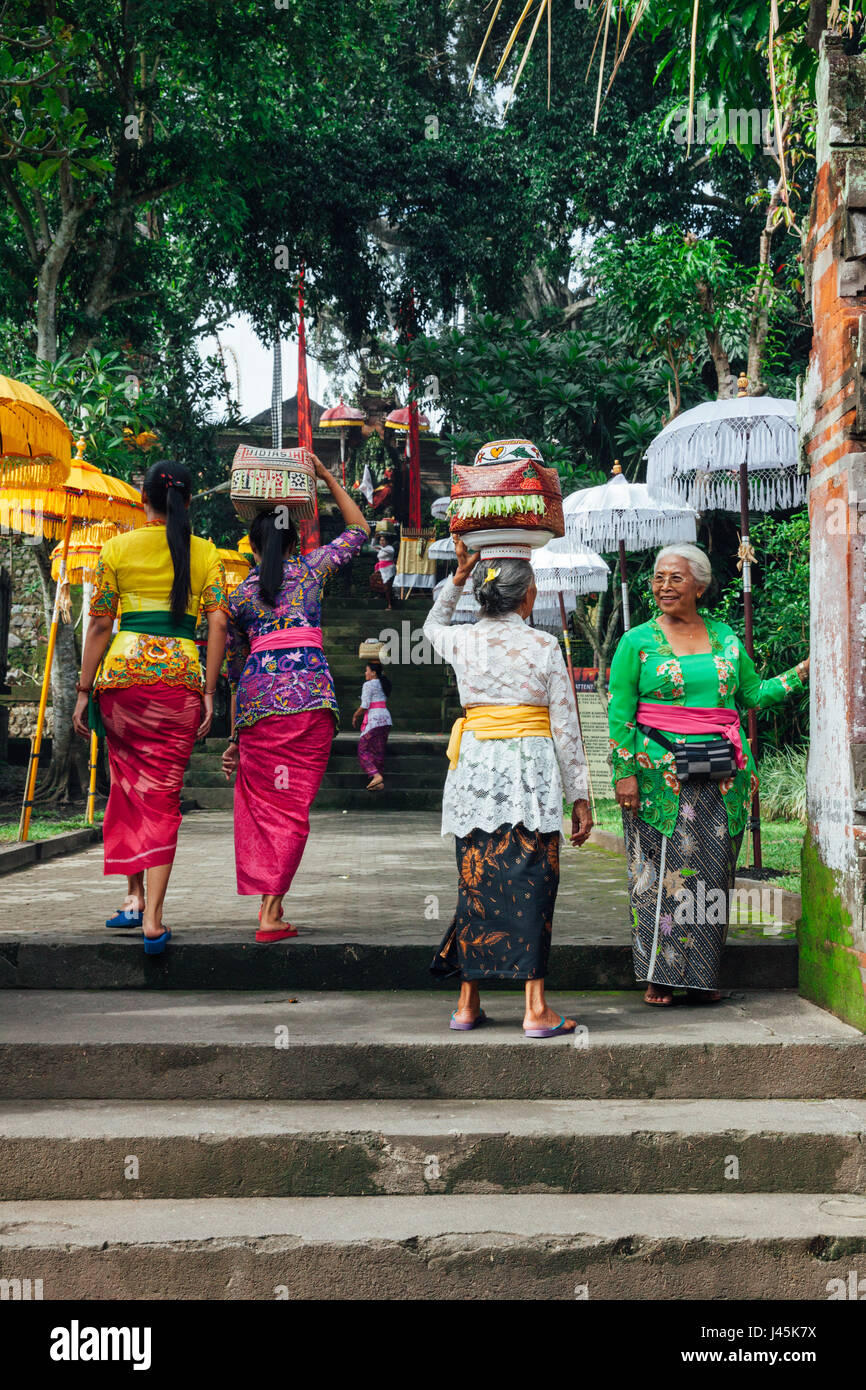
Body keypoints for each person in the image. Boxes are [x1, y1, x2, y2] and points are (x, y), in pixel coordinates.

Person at [607, 544, 810, 1006]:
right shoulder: (636, 641)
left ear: (699, 585)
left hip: (722, 776)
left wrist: (803, 671)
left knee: (711, 876)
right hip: (658, 778)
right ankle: (659, 975)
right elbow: (620, 716)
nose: (663, 586)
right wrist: (625, 775)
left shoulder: (726, 639)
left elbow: (753, 695)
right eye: (658, 578)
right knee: (656, 876)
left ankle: (701, 974)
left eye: (675, 578)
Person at [423, 538, 593, 1037]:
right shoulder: (543, 645)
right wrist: (580, 796)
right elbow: (565, 725)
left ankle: (467, 1003)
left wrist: (456, 578)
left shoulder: (463, 640)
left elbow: (433, 625)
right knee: (533, 879)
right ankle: (535, 1008)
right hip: (529, 773)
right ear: (527, 598)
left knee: (476, 879)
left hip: (476, 769)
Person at [72, 460, 228, 953]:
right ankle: (154, 919)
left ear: (145, 499)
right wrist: (209, 692)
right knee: (161, 796)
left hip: (120, 684)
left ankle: (134, 899)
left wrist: (82, 689)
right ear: (188, 501)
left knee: (127, 786)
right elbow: (219, 626)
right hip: (178, 684)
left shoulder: (116, 548)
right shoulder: (206, 554)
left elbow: (99, 626)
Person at [222, 455, 370, 941]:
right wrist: (327, 478)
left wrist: (233, 737)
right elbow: (360, 530)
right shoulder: (310, 571)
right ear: (291, 540)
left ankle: (269, 905)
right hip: (309, 701)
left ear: (252, 544)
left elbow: (236, 669)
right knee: (292, 804)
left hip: (258, 706)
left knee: (265, 805)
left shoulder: (239, 596)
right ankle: (271, 909)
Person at [352, 659, 393, 791]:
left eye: (367, 671)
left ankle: (375, 776)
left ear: (373, 673)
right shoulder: (383, 683)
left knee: (363, 749)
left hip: (374, 719)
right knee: (378, 750)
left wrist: (355, 715)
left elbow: (365, 705)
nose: (365, 673)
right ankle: (378, 781)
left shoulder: (368, 685)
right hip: (386, 719)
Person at [372, 533, 396, 609]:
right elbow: (372, 546)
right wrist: (374, 538)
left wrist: (381, 549)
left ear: (387, 541)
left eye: (383, 540)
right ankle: (381, 597)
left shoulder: (389, 548)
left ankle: (390, 605)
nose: (381, 542)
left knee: (387, 586)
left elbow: (391, 552)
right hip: (380, 568)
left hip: (388, 568)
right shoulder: (381, 548)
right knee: (377, 583)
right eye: (380, 540)